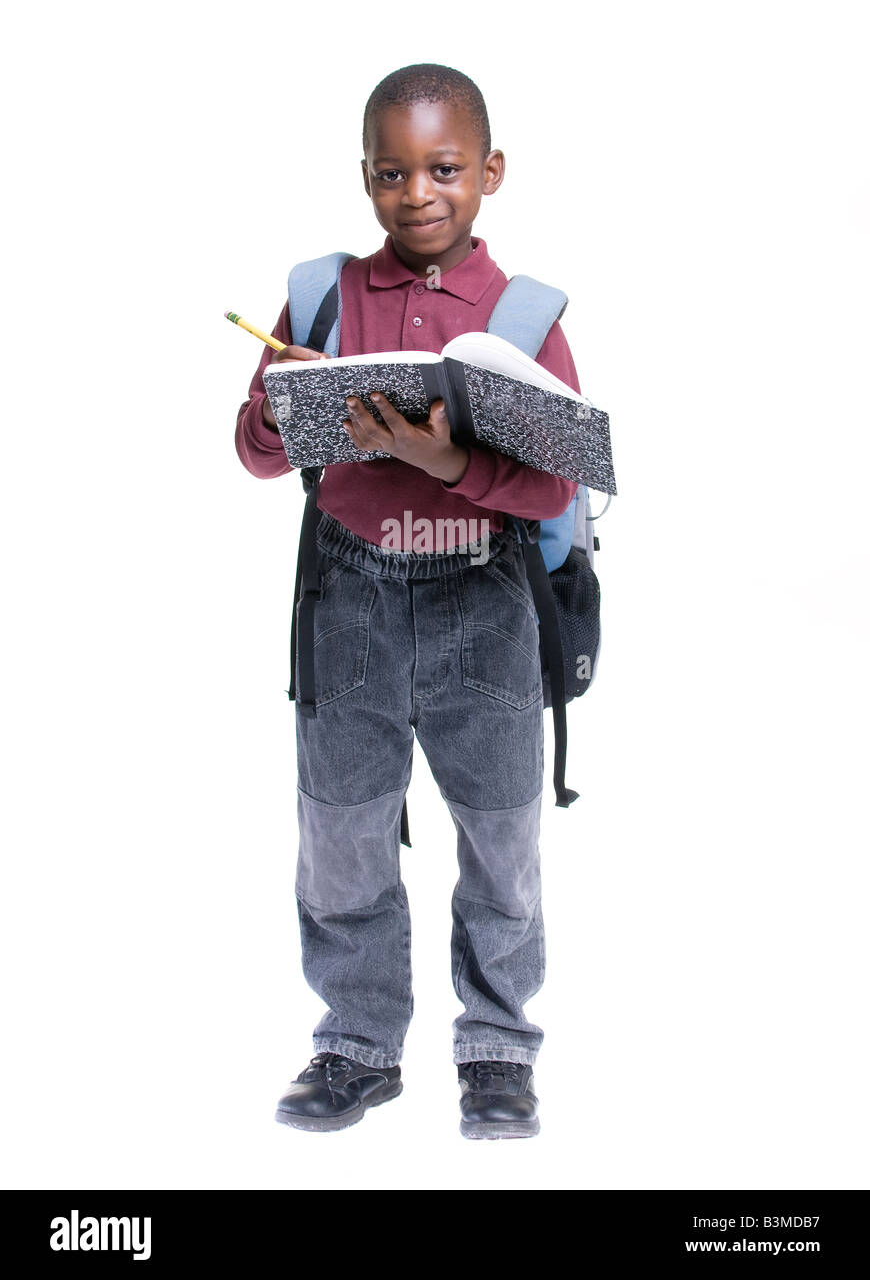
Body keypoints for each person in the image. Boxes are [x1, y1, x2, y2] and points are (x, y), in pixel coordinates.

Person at [235, 64, 582, 1139]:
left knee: (499, 837)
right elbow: (250, 451)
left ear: (490, 172)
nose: (417, 192)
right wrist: (293, 401)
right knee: (339, 832)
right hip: (351, 598)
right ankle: (355, 1044)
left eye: (442, 169)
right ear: (366, 179)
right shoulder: (324, 296)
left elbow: (555, 481)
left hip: (482, 599)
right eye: (392, 172)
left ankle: (495, 1049)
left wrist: (444, 464)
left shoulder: (524, 317)